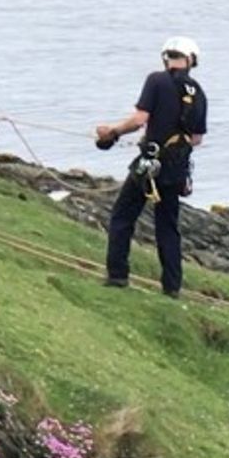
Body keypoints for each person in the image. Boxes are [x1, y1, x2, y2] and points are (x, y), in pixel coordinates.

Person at [95, 36, 208, 298]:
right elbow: (196, 138)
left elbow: (139, 119)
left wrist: (113, 131)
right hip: (176, 168)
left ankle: (118, 275)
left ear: (166, 57)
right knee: (168, 227)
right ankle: (171, 287)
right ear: (191, 60)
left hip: (150, 164)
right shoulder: (199, 92)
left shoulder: (156, 80)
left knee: (123, 216)